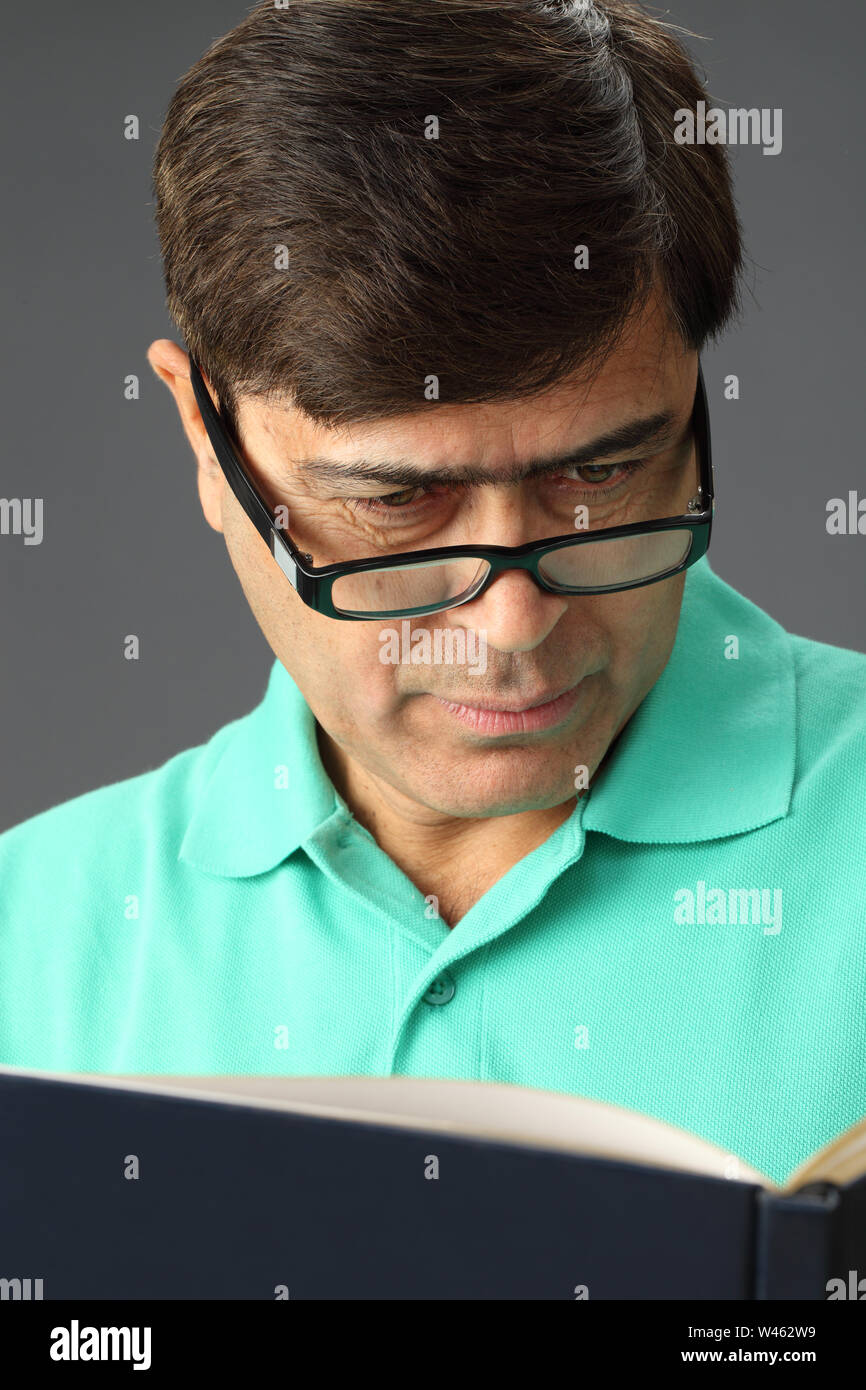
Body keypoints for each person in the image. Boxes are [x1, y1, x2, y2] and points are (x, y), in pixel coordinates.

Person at [1, 0, 863, 1190]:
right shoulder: (29, 939)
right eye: (397, 506)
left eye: (601, 474)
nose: (510, 630)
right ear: (206, 443)